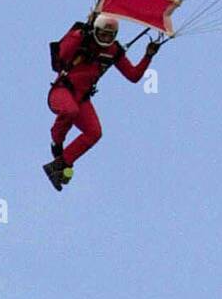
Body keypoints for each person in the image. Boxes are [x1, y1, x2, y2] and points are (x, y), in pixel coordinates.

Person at [43, 14, 161, 190]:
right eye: (103, 34)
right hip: (62, 91)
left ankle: (60, 165)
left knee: (95, 132)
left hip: (82, 99)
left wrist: (148, 55)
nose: (106, 38)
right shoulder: (82, 39)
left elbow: (133, 76)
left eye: (110, 35)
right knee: (70, 111)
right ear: (95, 31)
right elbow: (63, 53)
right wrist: (81, 32)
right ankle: (57, 143)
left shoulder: (113, 51)